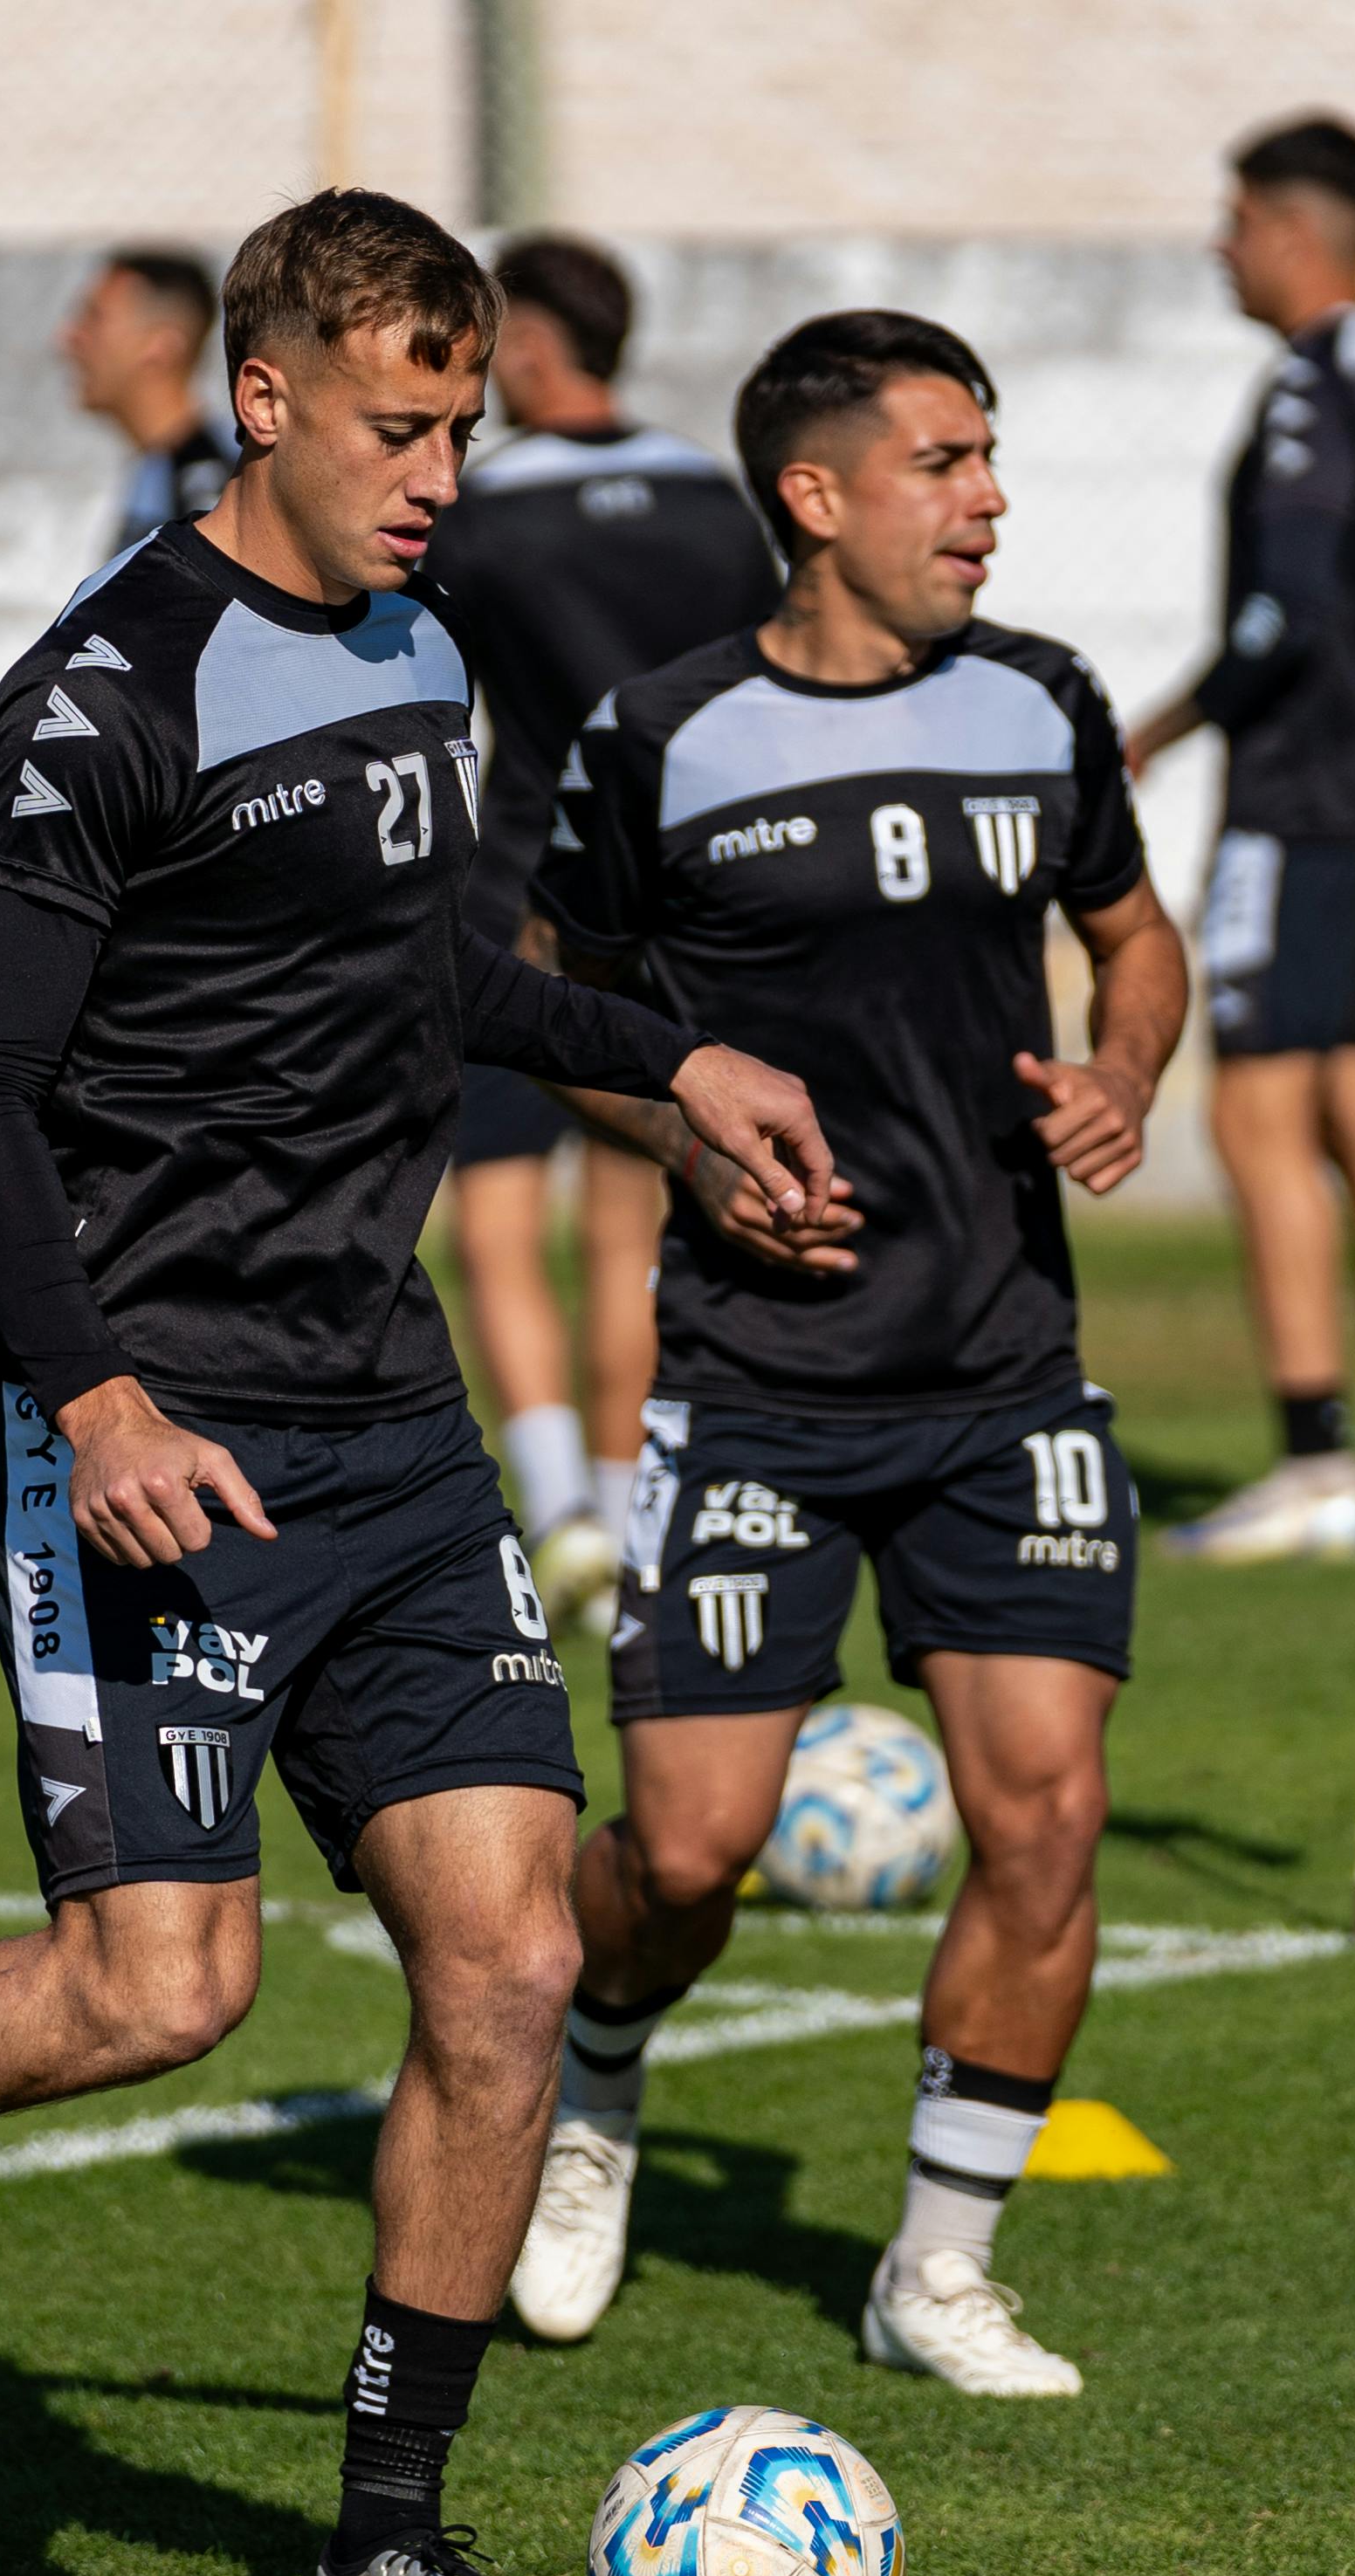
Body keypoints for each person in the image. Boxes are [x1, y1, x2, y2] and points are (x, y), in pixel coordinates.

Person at [0, 189, 839, 2576]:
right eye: (396, 426)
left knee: (510, 1965)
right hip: (137, 1421)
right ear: (263, 403)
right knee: (158, 1991)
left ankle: (384, 2544)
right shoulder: (102, 694)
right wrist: (99, 1390)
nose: (444, 471)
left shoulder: (419, 645)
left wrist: (677, 1062)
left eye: (460, 423)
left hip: (382, 1413)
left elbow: (441, 957)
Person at [507, 312, 1187, 2396]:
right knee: (693, 1851)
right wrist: (689, 1145)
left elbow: (1132, 935)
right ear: (816, 496)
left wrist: (1123, 1072)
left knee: (1048, 1822)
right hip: (755, 1385)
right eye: (947, 463)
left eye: (992, 459)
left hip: (1003, 1372)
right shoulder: (661, 736)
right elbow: (565, 1004)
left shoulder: (1045, 703)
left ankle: (936, 2271)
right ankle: (594, 2074)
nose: (990, 499)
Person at [422, 234, 783, 1622]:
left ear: (527, 349)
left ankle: (560, 1506)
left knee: (501, 1209)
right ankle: (637, 1514)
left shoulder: (483, 503)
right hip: (676, 889)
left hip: (515, 881)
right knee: (635, 1198)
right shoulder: (714, 498)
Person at [1125, 114, 1355, 1567]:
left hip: (1301, 800)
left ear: (1295, 232)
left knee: (1260, 1117)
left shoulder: (1310, 397)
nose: (1222, 243)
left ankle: (1317, 1457)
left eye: (1237, 216)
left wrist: (1160, 728)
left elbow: (1286, 615)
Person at [58, 246, 238, 553]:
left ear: (160, 346)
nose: (68, 338)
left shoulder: (210, 489)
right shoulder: (160, 471)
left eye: (94, 318)